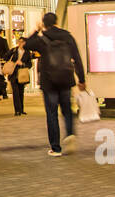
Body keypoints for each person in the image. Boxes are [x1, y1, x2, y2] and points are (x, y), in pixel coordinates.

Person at [24, 11, 87, 156]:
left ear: (44, 24)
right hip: (66, 78)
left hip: (49, 81)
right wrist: (81, 79)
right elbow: (76, 57)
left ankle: (56, 148)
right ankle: (70, 134)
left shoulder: (42, 39)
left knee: (52, 113)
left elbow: (26, 44)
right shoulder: (67, 36)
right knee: (67, 110)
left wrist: (37, 30)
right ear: (56, 22)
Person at [7, 35, 32, 116]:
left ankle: (21, 109)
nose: (21, 43)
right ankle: (17, 110)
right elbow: (5, 56)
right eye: (19, 42)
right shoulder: (14, 50)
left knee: (21, 91)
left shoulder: (27, 52)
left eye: (22, 42)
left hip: (22, 74)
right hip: (14, 73)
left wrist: (23, 64)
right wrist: (13, 62)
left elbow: (30, 64)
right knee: (15, 92)